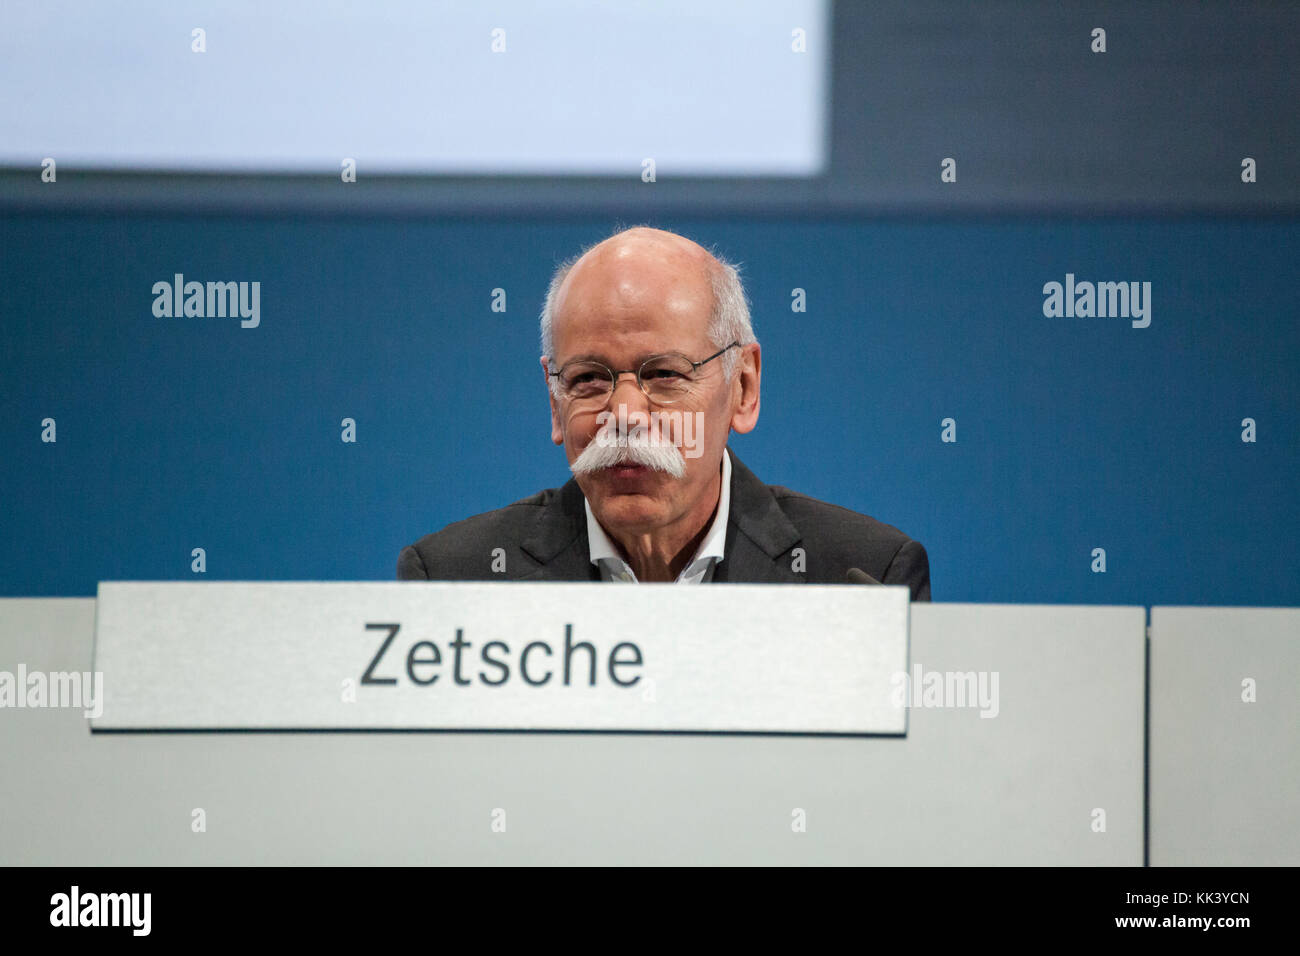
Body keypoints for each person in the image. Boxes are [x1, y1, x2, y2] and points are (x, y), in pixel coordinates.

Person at [398, 226, 930, 599]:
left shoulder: (864, 578)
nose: (625, 412)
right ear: (556, 405)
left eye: (664, 376)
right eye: (587, 379)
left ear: (743, 387)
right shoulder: (453, 583)